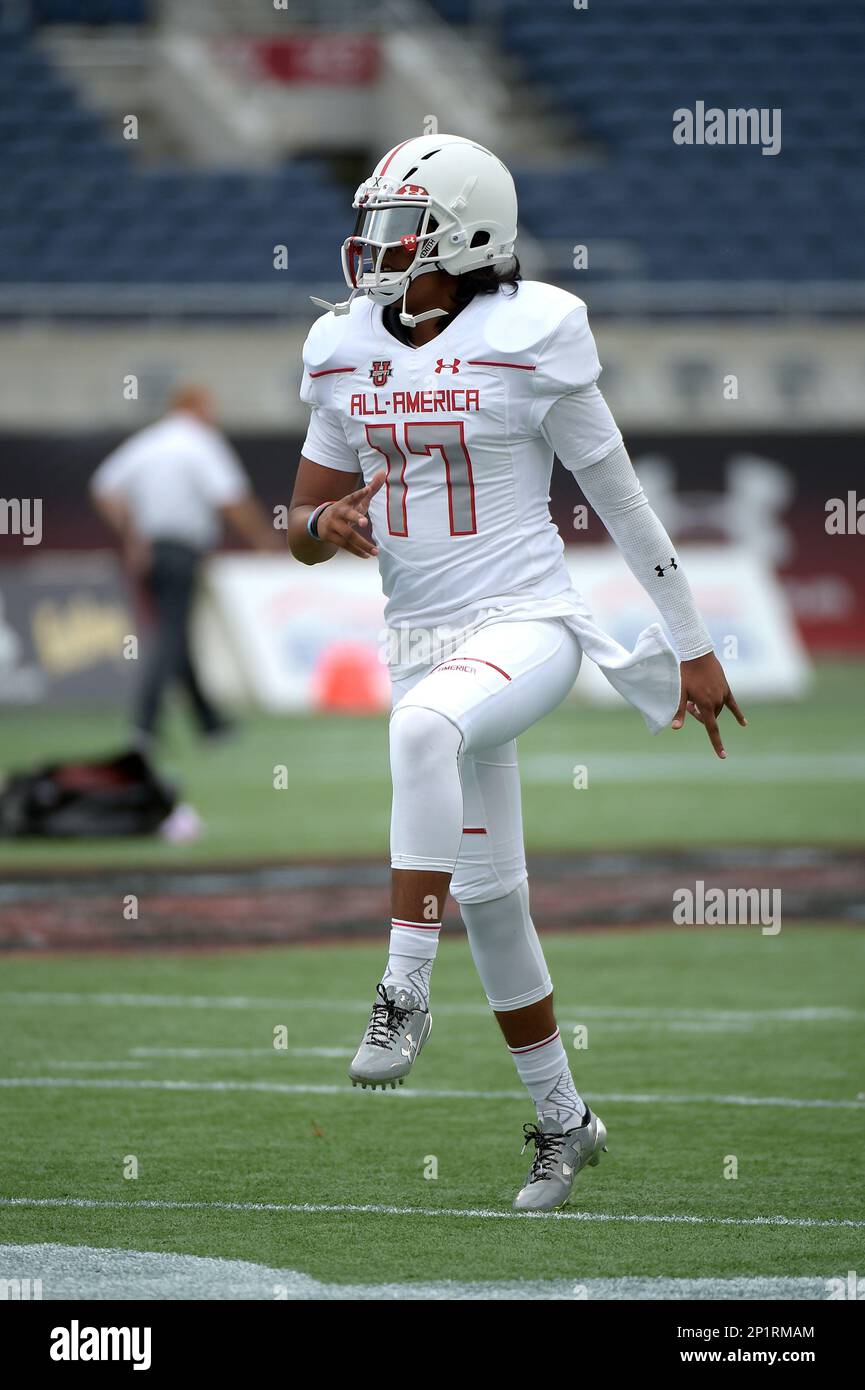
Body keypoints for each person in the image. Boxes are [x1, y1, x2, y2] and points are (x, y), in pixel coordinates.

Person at [287, 134, 746, 1211]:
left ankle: (402, 985)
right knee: (493, 903)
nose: (375, 245)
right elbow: (300, 522)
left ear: (464, 232)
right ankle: (562, 1121)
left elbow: (623, 500)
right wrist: (324, 519)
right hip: (422, 641)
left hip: (528, 623)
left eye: (401, 224)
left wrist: (691, 640)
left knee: (420, 736)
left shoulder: (533, 331)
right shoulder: (344, 344)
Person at [91, 385, 278, 745]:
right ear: (196, 407)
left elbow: (104, 488)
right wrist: (262, 539)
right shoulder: (200, 443)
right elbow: (231, 498)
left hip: (151, 551)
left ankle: (209, 723)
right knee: (170, 633)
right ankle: (143, 724)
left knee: (176, 632)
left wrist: (133, 537)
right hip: (181, 550)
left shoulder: (149, 442)